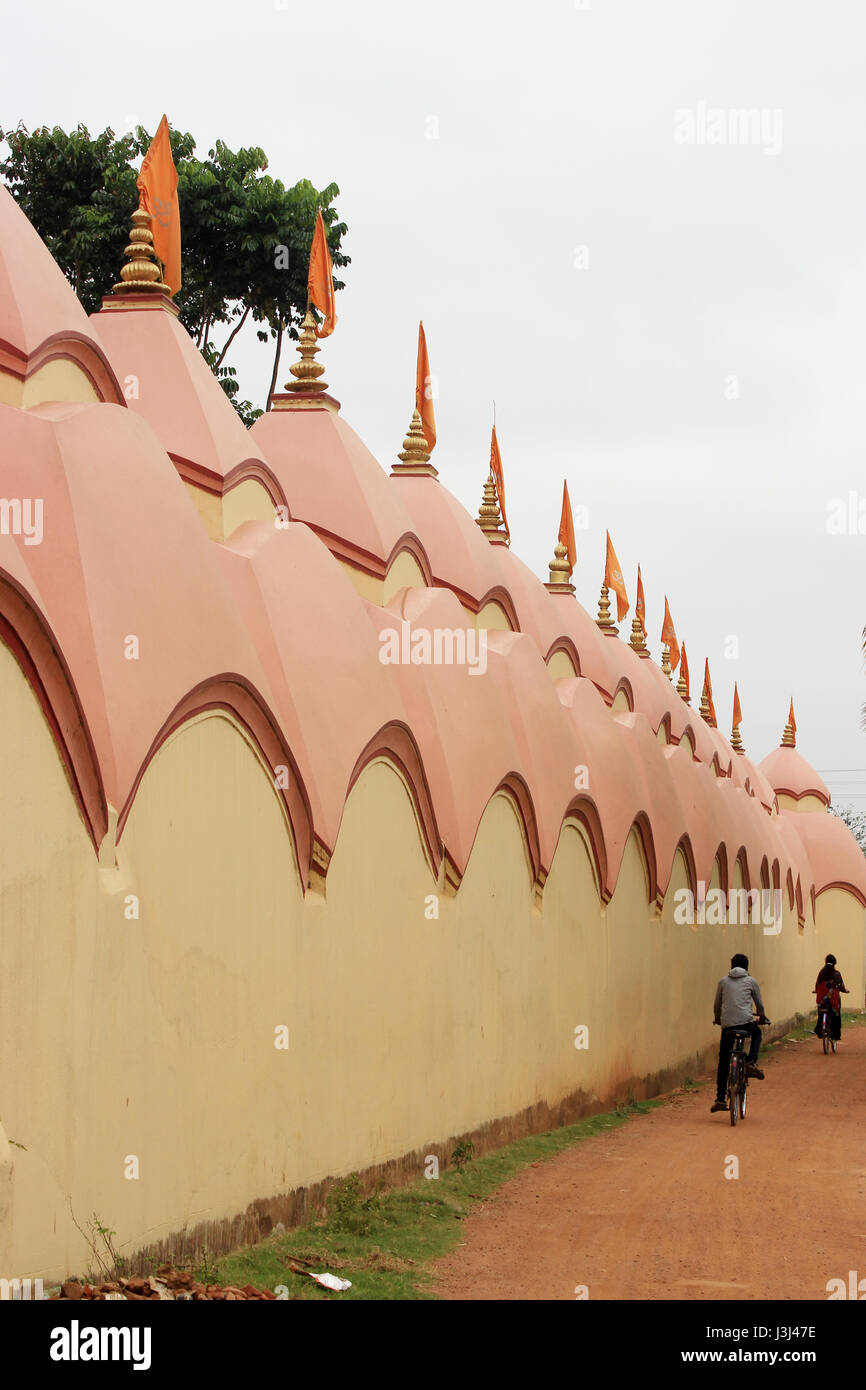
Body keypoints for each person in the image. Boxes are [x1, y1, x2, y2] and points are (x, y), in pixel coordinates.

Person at [710, 953, 769, 1114]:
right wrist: (762, 1016)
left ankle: (720, 1099)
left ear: (731, 966)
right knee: (756, 1033)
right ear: (747, 967)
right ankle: (751, 1062)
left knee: (723, 1062)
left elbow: (717, 1005)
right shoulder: (751, 981)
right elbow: (759, 1005)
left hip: (728, 1027)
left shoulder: (723, 981)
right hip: (746, 1023)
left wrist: (718, 1018)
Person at [813, 954, 848, 1042]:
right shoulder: (837, 974)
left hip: (822, 1000)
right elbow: (841, 986)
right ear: (834, 963)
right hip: (833, 1000)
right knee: (836, 1014)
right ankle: (835, 1034)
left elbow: (817, 984)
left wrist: (816, 991)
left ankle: (820, 1028)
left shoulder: (821, 973)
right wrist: (845, 990)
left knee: (821, 1012)